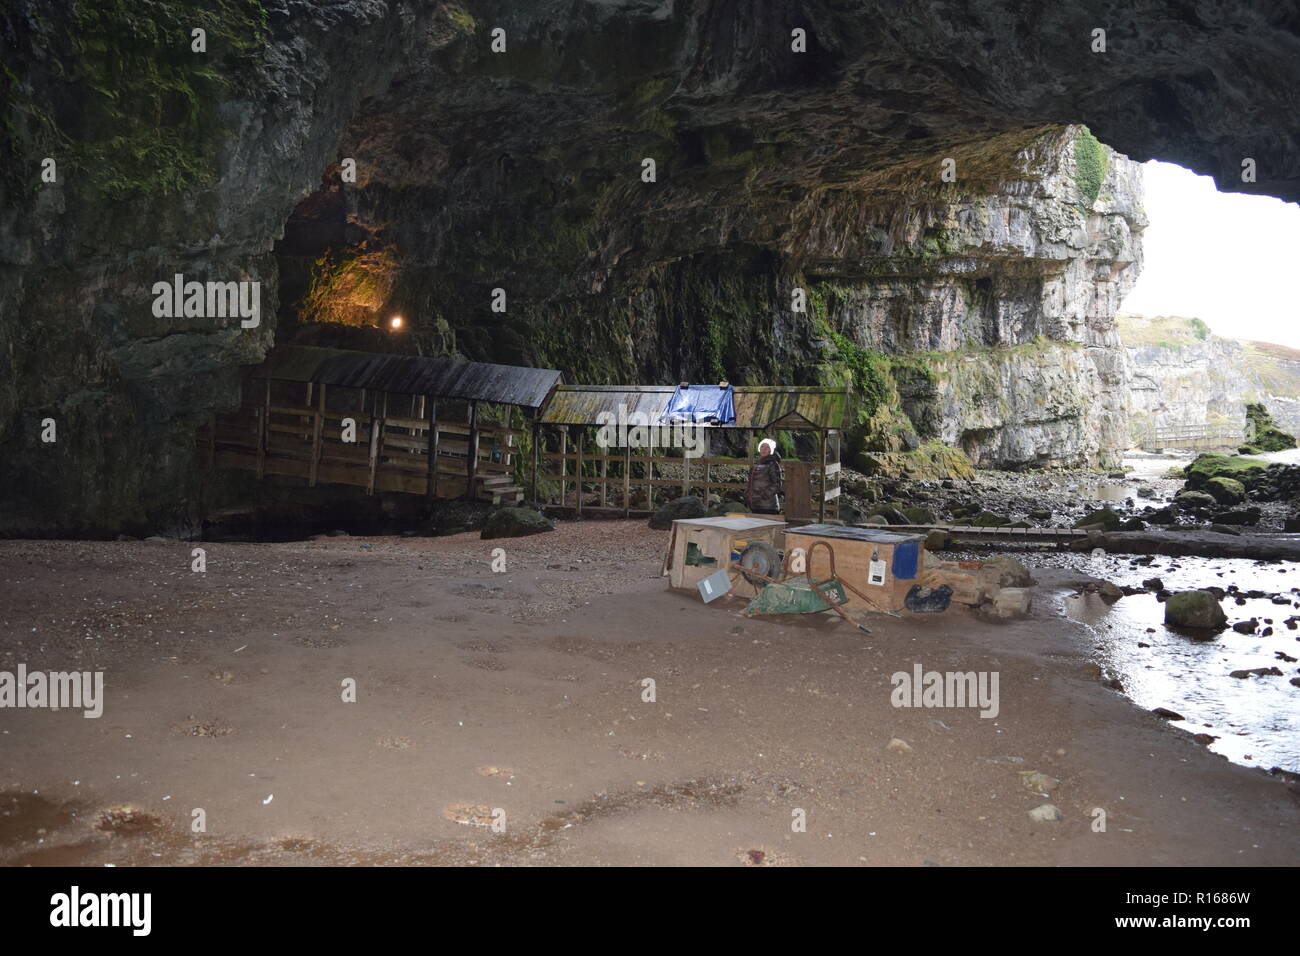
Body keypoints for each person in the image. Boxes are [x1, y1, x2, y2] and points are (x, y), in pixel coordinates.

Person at [746, 437, 784, 514]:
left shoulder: (773, 464)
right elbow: (751, 482)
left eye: (767, 447)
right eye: (762, 446)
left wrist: (764, 496)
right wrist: (747, 494)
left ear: (771, 450)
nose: (764, 449)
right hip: (754, 505)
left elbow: (777, 484)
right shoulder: (756, 464)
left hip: (768, 506)